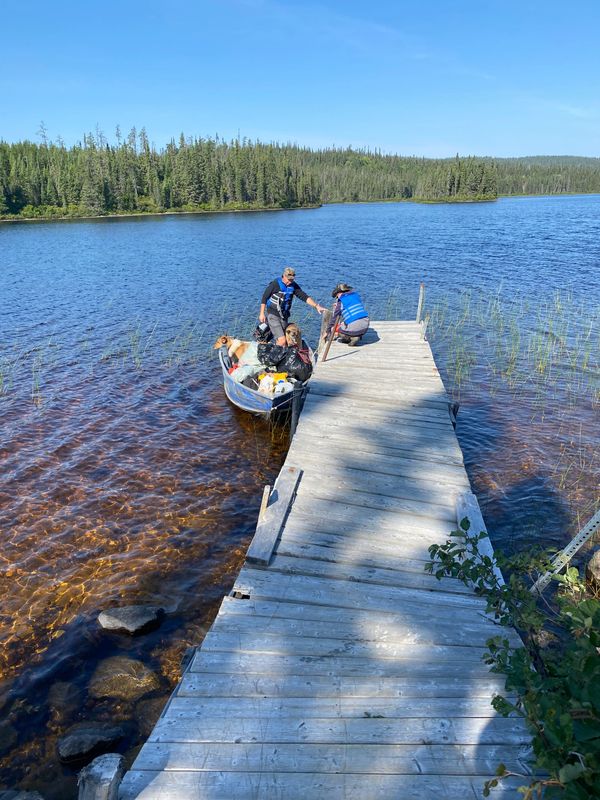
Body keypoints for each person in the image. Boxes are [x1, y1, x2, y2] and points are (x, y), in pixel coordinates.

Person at [260, 266, 326, 346]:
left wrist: (316, 306)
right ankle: (275, 357)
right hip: (273, 315)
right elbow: (264, 297)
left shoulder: (293, 286)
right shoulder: (275, 284)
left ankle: (277, 354)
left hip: (284, 316)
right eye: (289, 279)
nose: (290, 282)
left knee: (281, 340)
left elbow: (304, 297)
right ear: (284, 276)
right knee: (282, 340)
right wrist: (262, 314)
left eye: (292, 280)